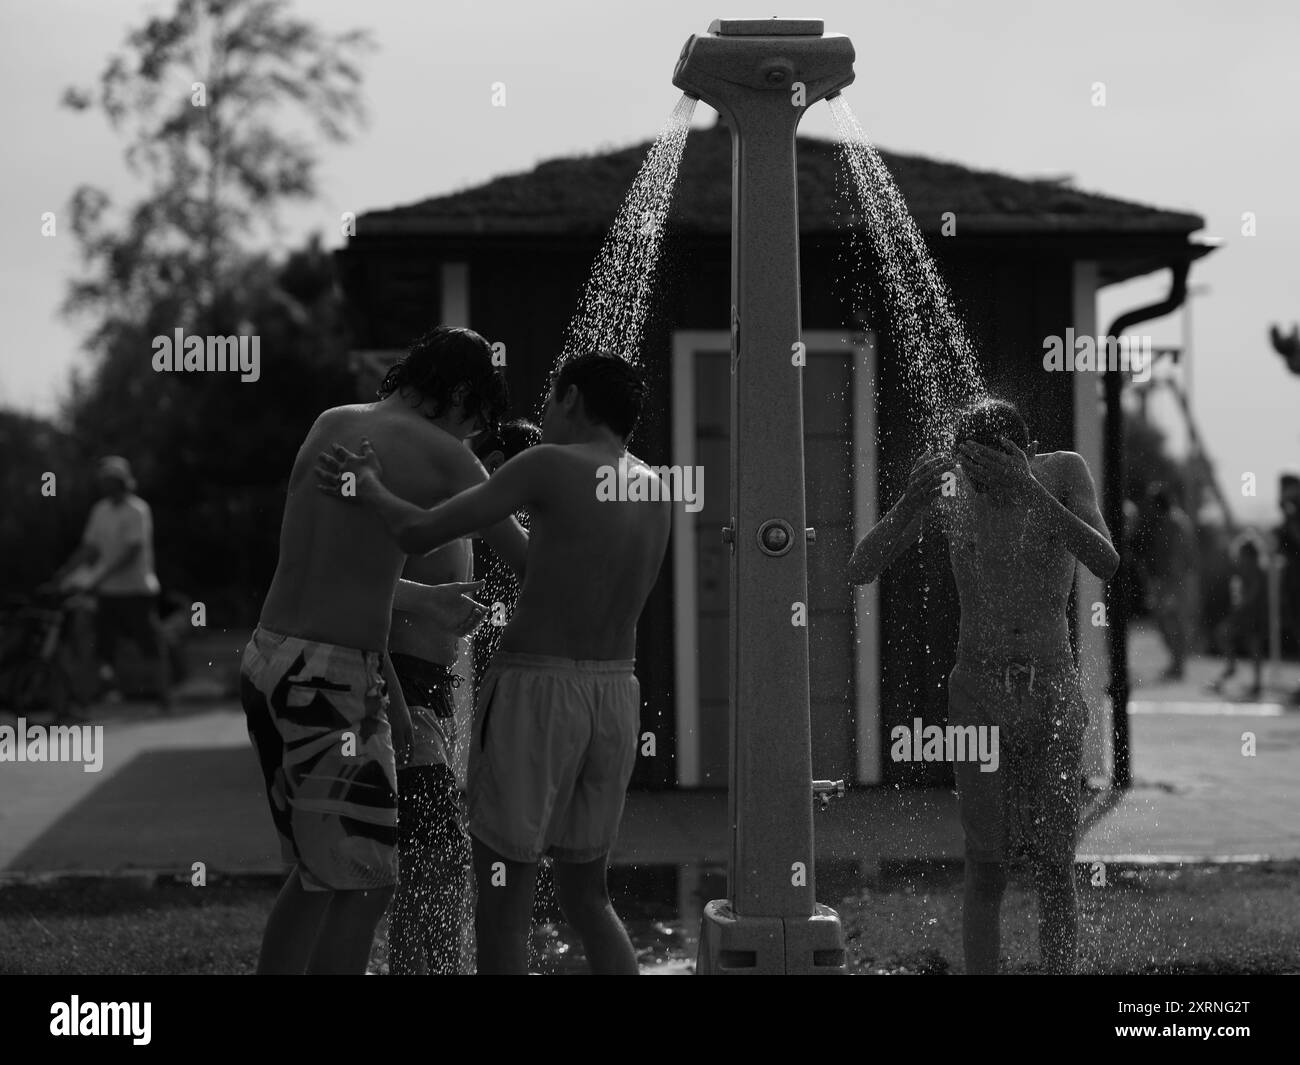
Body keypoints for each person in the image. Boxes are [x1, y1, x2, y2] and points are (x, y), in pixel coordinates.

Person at [316, 352, 671, 975]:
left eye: (550, 397)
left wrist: (369, 484)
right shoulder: (655, 486)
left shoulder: (548, 464)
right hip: (615, 695)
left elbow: (420, 531)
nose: (540, 414)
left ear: (572, 397)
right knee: (589, 898)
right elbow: (556, 564)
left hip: (537, 690)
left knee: (503, 902)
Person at [240, 325, 525, 975]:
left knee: (318, 875)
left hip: (267, 661)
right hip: (328, 680)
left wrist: (422, 601)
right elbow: (527, 556)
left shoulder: (331, 421)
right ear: (459, 395)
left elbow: (329, 565)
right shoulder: (447, 456)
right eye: (475, 421)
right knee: (366, 881)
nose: (470, 438)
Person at [847, 397, 1118, 975]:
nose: (987, 489)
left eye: (998, 475)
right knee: (985, 861)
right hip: (978, 692)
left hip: (1049, 685)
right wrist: (906, 505)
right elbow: (860, 567)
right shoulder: (950, 485)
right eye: (978, 477)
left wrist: (1028, 492)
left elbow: (1106, 560)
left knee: (1054, 864)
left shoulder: (1064, 473)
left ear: (1024, 455)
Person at [386, 418, 539, 976]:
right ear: (496, 466)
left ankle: (424, 969)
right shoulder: (428, 499)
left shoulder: (461, 509)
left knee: (424, 860)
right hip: (404, 689)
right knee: (437, 857)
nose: (516, 516)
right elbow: (358, 587)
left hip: (431, 692)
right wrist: (398, 706)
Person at [53, 456, 170, 711]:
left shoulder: (138, 509)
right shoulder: (100, 510)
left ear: (122, 482)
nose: (106, 486)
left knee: (149, 643)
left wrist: (98, 576)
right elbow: (90, 548)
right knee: (100, 644)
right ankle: (89, 700)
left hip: (137, 589)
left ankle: (164, 698)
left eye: (110, 481)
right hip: (108, 592)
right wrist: (66, 572)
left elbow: (132, 551)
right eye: (103, 481)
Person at [1134, 484, 1196, 681]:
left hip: (1173, 581)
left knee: (1171, 620)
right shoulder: (1171, 520)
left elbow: (1175, 556)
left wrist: (1167, 582)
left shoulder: (1173, 522)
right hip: (1172, 580)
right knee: (1168, 620)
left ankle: (1178, 664)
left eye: (1153, 502)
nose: (1150, 506)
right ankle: (1176, 663)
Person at [1210, 530, 1268, 699]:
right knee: (1224, 634)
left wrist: (1243, 605)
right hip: (1244, 614)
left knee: (1254, 646)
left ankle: (1256, 683)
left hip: (1253, 615)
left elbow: (1253, 593)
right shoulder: (1242, 570)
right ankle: (1231, 667)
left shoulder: (1256, 570)